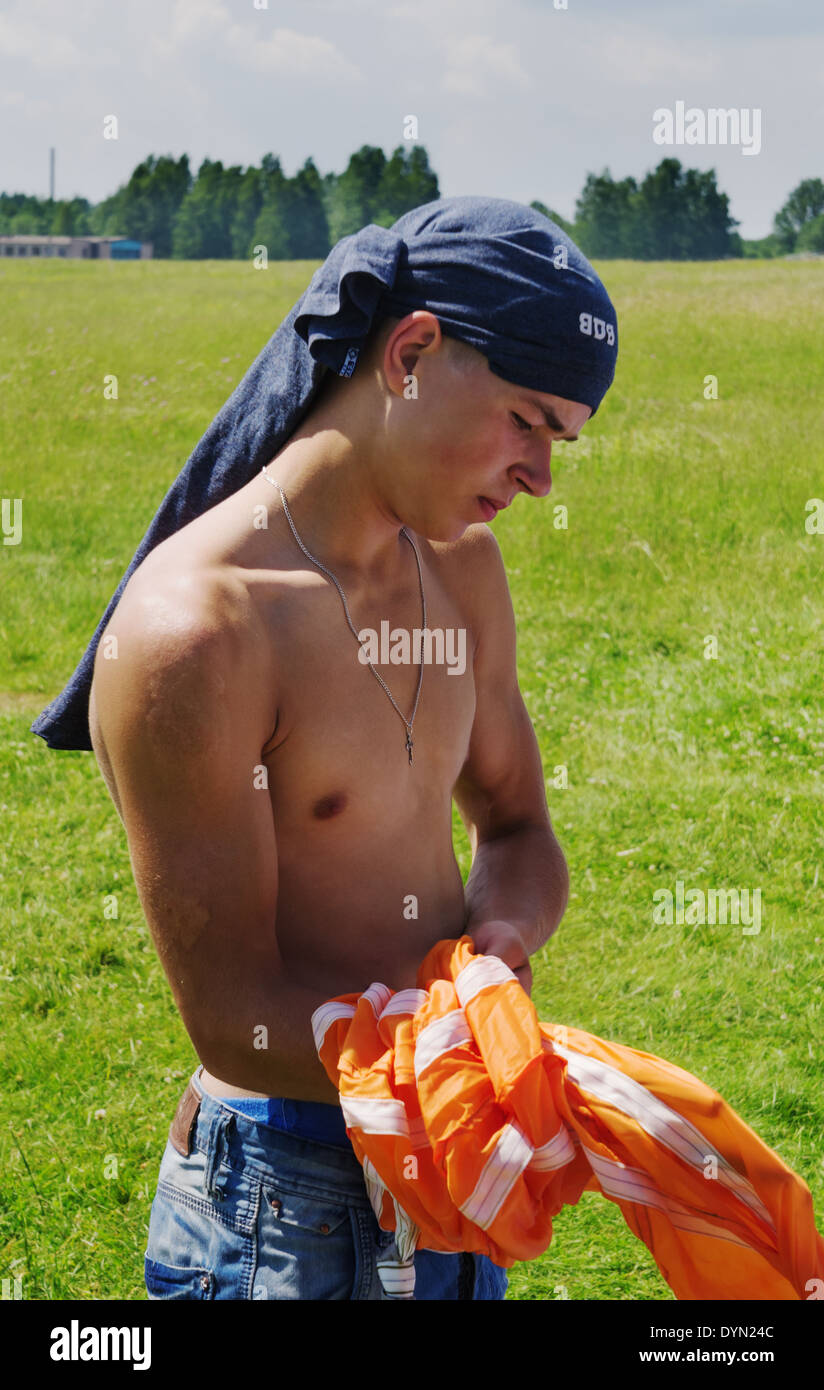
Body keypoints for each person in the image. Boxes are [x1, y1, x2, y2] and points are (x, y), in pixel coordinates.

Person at [33, 196, 619, 1299]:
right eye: (527, 422)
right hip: (282, 1205)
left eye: (560, 440)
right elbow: (232, 1010)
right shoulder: (200, 630)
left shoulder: (463, 574)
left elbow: (518, 823)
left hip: (447, 1165)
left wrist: (502, 935)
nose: (541, 477)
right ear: (409, 352)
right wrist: (465, 1057)